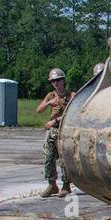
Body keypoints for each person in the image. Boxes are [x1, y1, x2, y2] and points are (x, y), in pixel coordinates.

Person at [35, 67, 75, 197]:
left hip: (65, 130)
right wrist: (49, 103)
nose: (56, 83)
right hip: (52, 131)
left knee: (64, 158)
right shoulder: (51, 95)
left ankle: (66, 185)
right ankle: (52, 184)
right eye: (53, 81)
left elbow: (73, 113)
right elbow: (39, 110)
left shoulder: (72, 96)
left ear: (63, 81)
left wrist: (55, 120)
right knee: (48, 157)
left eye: (58, 80)